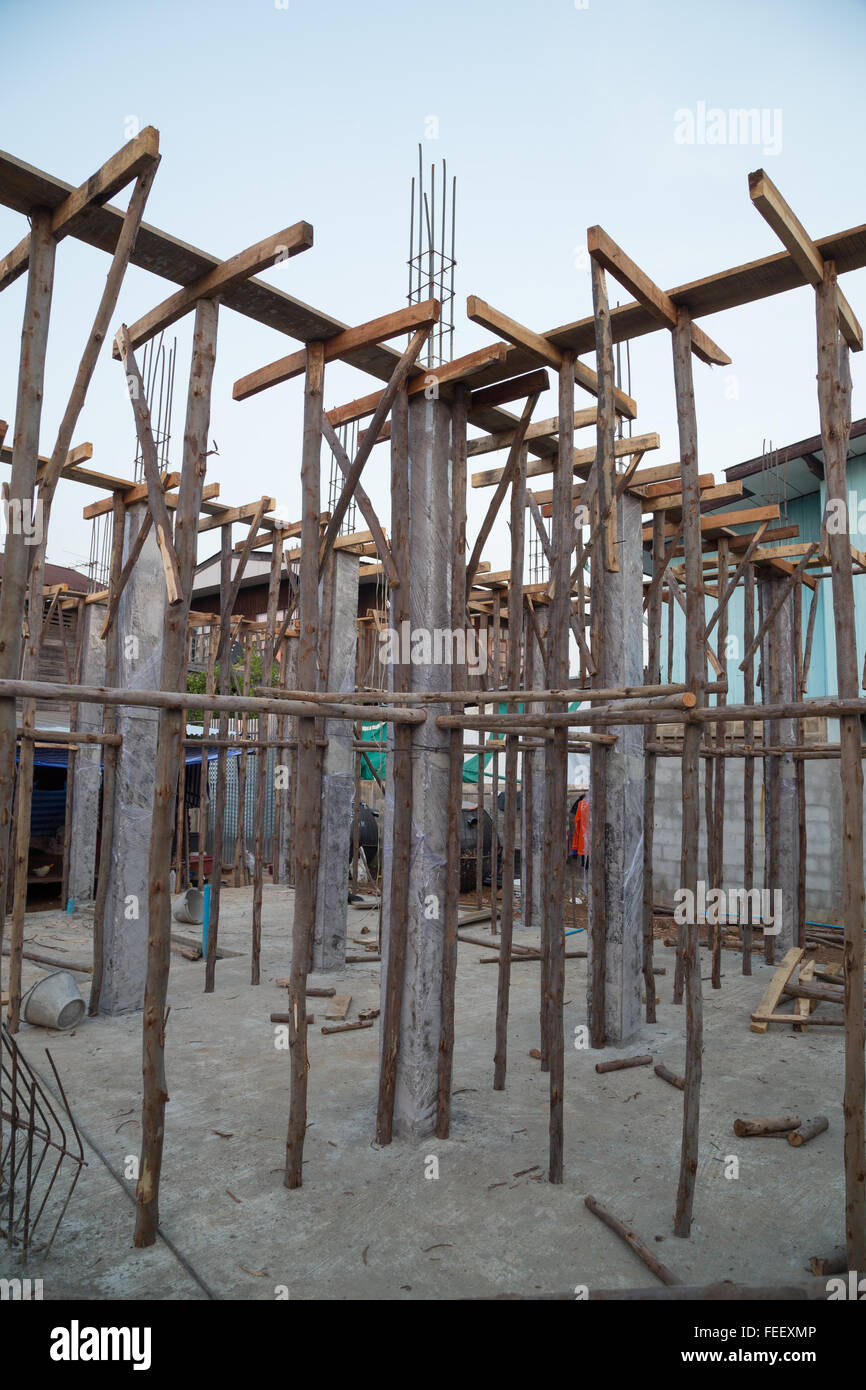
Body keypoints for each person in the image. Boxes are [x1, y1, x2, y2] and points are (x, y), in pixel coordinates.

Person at [571, 793, 589, 871]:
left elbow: (576, 823)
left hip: (583, 836)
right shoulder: (583, 804)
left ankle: (584, 864)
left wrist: (574, 849)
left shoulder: (581, 804)